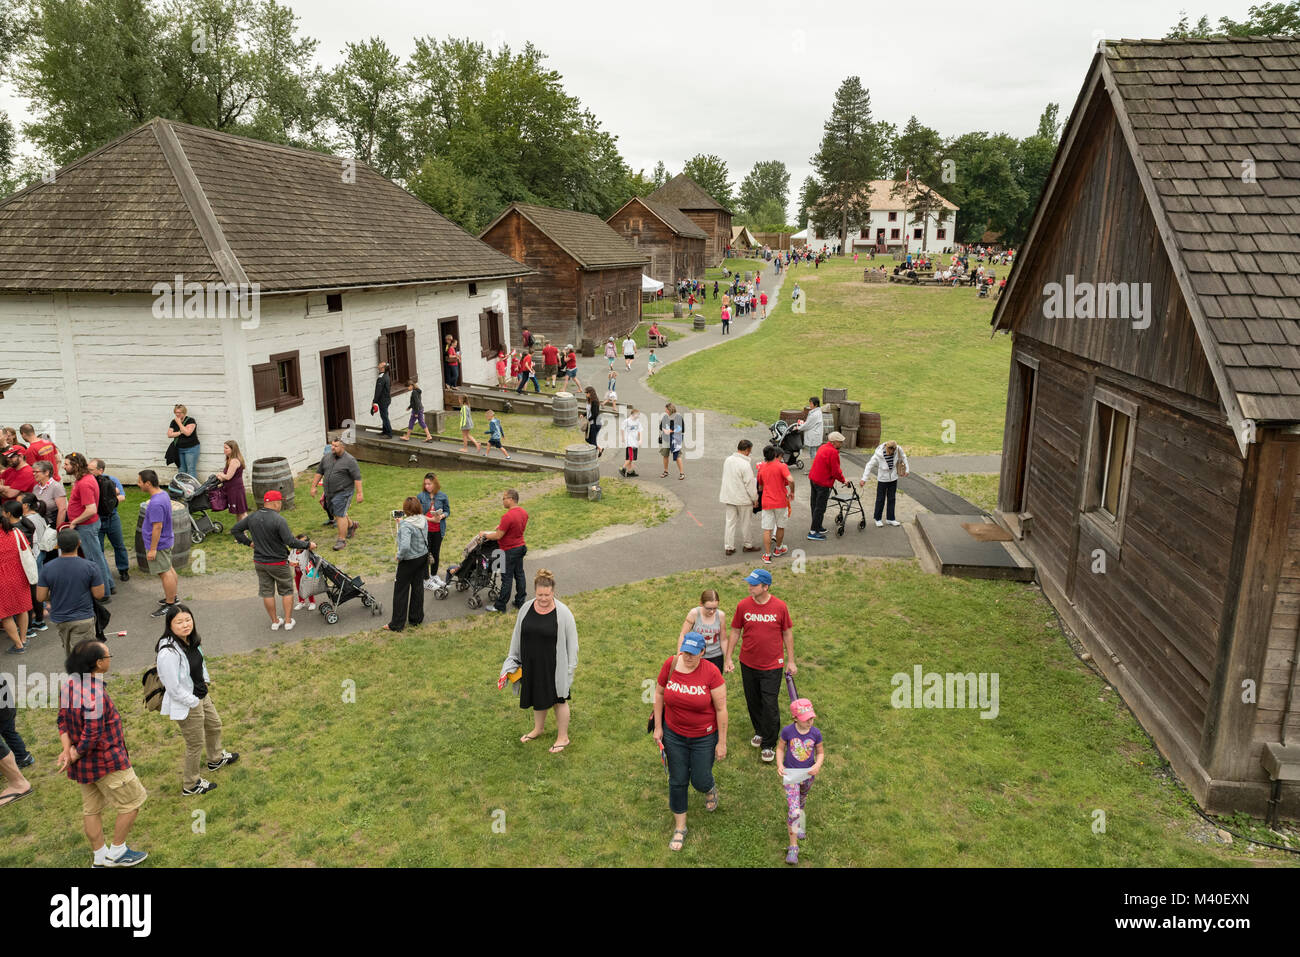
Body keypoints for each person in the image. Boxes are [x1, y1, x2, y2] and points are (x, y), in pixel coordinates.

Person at [57, 640, 149, 865]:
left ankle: (99, 857)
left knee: (91, 810)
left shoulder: (69, 685)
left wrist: (67, 750)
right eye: (108, 656)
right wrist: (75, 753)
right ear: (98, 663)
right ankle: (117, 852)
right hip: (107, 762)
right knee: (133, 802)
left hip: (85, 768)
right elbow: (92, 733)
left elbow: (62, 720)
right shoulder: (94, 692)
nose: (109, 659)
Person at [653, 631, 726, 851]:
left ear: (703, 652)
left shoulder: (712, 673)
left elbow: (721, 709)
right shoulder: (672, 664)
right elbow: (658, 693)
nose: (688, 657)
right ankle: (680, 827)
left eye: (693, 653)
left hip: (704, 736)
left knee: (700, 780)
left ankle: (709, 788)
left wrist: (721, 742)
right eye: (686, 652)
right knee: (678, 780)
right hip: (673, 734)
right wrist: (658, 727)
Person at [155, 604, 239, 795]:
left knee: (215, 725)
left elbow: (200, 664)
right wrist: (193, 702)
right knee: (195, 743)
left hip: (202, 694)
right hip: (188, 703)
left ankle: (215, 758)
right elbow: (173, 688)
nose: (185, 625)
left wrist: (205, 682)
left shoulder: (191, 640)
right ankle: (191, 784)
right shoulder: (168, 653)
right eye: (179, 622)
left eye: (188, 620)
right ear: (170, 624)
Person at [497, 568, 577, 754]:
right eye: (539, 594)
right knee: (536, 695)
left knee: (559, 699)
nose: (542, 598)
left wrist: (570, 670)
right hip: (532, 663)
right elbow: (517, 635)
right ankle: (538, 729)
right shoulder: (526, 608)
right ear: (535, 592)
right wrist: (513, 660)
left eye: (547, 595)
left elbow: (572, 645)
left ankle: (563, 737)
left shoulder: (564, 613)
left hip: (554, 666)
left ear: (553, 592)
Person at [725, 568, 795, 763]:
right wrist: (729, 658)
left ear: (766, 586)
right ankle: (760, 731)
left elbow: (787, 633)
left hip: (772, 665)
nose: (749, 587)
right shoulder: (743, 606)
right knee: (753, 700)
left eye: (754, 585)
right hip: (748, 663)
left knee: (769, 703)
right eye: (749, 583)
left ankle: (769, 744)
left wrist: (791, 660)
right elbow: (735, 631)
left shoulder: (780, 607)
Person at [232, 490, 315, 630]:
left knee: (267, 592)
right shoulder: (279, 520)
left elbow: (235, 530)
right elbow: (290, 541)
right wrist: (308, 545)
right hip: (278, 563)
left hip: (260, 562)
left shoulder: (253, 517)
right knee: (287, 590)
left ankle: (275, 621)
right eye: (280, 502)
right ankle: (288, 621)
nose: (281, 505)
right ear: (275, 503)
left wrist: (249, 543)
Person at [38, 528, 105, 654]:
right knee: (84, 657)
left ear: (57, 545)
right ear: (79, 543)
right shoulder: (90, 567)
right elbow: (99, 594)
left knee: (71, 653)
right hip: (83, 618)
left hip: (60, 619)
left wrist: (55, 594)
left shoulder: (47, 568)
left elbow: (41, 597)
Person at [776, 697, 825, 865]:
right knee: (794, 809)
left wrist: (817, 765)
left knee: (802, 800)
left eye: (812, 718)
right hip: (791, 775)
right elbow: (780, 748)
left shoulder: (815, 733)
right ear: (795, 718)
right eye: (806, 719)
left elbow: (820, 752)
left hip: (808, 775)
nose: (810, 722)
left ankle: (800, 825)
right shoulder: (788, 732)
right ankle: (793, 847)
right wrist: (779, 764)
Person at [63, 453, 114, 600]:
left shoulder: (85, 483)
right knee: (98, 556)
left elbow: (91, 509)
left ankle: (103, 594)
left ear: (76, 465)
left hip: (86, 527)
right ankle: (109, 584)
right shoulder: (84, 479)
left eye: (67, 464)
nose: (64, 466)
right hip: (88, 525)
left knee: (94, 560)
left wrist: (74, 521)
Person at [137, 470, 180, 618]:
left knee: (164, 572)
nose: (138, 484)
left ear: (147, 483)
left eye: (140, 482)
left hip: (160, 544)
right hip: (167, 540)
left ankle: (170, 605)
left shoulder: (155, 503)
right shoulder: (163, 494)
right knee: (169, 568)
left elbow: (157, 526)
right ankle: (173, 597)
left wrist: (153, 549)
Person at [385, 497, 429, 632]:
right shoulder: (423, 519)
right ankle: (416, 618)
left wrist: (399, 556)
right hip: (422, 557)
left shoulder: (406, 525)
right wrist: (402, 523)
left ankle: (397, 623)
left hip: (409, 560)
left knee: (401, 591)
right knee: (417, 587)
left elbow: (404, 546)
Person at [481, 488, 527, 614]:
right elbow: (515, 528)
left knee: (506, 578)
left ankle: (500, 606)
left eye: (504, 498)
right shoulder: (523, 512)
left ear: (511, 499)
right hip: (520, 547)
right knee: (520, 575)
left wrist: (484, 534)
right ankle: (520, 601)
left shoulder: (507, 516)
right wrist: (501, 527)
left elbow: (497, 536)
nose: (502, 501)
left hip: (507, 551)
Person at [312, 437, 363, 550]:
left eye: (336, 446)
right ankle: (351, 525)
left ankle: (341, 540)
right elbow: (319, 472)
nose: (333, 448)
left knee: (339, 514)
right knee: (336, 511)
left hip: (343, 491)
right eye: (332, 445)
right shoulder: (326, 458)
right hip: (329, 492)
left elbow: (357, 478)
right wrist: (313, 486)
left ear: (343, 447)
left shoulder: (350, 460)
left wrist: (359, 493)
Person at [89, 458, 128, 583]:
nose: (88, 472)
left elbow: (122, 496)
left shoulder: (112, 480)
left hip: (112, 518)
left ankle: (123, 570)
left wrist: (109, 500)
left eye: (91, 470)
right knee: (98, 548)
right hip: (97, 519)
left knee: (119, 545)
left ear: (100, 470)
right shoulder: (88, 481)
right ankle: (103, 573)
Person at [718, 439, 759, 556]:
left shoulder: (728, 460)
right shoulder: (745, 464)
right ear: (746, 450)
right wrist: (755, 498)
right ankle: (748, 544)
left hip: (729, 496)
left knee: (730, 522)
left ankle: (729, 546)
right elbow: (749, 484)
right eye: (749, 451)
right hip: (742, 498)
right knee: (746, 523)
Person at [756, 444, 795, 564]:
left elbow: (760, 486)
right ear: (774, 454)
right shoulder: (781, 466)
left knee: (767, 529)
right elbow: (791, 480)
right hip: (781, 501)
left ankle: (767, 555)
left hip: (767, 502)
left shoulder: (762, 468)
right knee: (780, 526)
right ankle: (778, 548)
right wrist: (792, 492)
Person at [0, 672, 34, 803]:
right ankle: (23, 756)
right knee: (10, 733)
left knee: (9, 735)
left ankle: (19, 779)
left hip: (4, 707)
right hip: (6, 705)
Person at [806, 432, 847, 541]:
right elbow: (835, 471)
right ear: (834, 442)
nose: (841, 443)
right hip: (823, 482)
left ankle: (817, 526)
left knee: (814, 505)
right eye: (840, 442)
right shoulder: (833, 452)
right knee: (820, 507)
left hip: (814, 479)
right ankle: (813, 531)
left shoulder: (823, 447)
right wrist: (844, 481)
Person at [862, 439, 910, 527]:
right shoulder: (878, 454)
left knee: (892, 498)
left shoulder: (898, 449)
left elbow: (903, 456)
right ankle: (878, 518)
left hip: (893, 478)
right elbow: (869, 465)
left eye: (893, 452)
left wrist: (907, 469)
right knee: (880, 499)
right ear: (887, 448)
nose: (892, 453)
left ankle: (890, 519)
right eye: (890, 452)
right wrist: (864, 479)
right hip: (882, 479)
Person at [677, 589, 727, 674]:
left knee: (714, 685)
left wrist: (728, 659)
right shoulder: (694, 614)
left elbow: (723, 639)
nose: (712, 611)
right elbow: (683, 634)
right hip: (696, 655)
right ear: (701, 604)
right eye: (708, 608)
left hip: (716, 656)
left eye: (715, 608)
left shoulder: (721, 615)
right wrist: (679, 655)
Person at [418, 473, 450, 588]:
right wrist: (431, 519)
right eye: (425, 484)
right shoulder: (420, 496)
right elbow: (418, 514)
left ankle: (434, 575)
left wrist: (441, 517)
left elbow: (447, 511)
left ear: (435, 483)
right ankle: (426, 580)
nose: (427, 486)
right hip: (425, 530)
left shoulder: (443, 496)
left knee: (435, 553)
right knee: (426, 554)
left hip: (438, 530)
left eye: (429, 484)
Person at [215, 440, 249, 522]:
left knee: (242, 512)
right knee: (238, 511)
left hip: (236, 489)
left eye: (226, 448)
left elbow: (228, 477)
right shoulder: (230, 459)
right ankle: (240, 529)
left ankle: (248, 530)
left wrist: (219, 474)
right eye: (224, 448)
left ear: (233, 449)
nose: (224, 450)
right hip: (232, 488)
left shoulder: (234, 461)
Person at [168, 404, 201, 478]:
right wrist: (180, 432)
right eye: (176, 412)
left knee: (190, 469)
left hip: (191, 448)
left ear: (184, 412)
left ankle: (191, 487)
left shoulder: (190, 420)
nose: (177, 414)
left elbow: (187, 433)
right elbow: (169, 434)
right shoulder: (173, 422)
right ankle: (182, 486)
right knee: (181, 468)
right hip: (179, 448)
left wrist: (179, 423)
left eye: (179, 412)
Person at [33, 460, 66, 530]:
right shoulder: (36, 488)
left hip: (52, 525)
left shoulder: (56, 487)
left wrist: (58, 529)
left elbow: (62, 510)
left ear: (47, 472)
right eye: (33, 472)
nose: (34, 474)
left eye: (36, 472)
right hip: (40, 525)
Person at [794, 397, 824, 464]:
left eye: (811, 403)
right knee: (812, 451)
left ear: (815, 405)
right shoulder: (817, 412)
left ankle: (814, 469)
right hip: (814, 434)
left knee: (812, 452)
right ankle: (814, 468)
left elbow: (808, 425)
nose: (810, 405)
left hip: (813, 435)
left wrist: (798, 428)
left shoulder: (815, 414)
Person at [660, 402, 684, 480]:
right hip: (666, 439)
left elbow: (682, 429)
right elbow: (661, 427)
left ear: (670, 409)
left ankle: (682, 473)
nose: (665, 411)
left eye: (666, 409)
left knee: (677, 456)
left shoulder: (678, 417)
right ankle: (665, 471)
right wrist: (665, 430)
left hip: (675, 440)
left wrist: (670, 431)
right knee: (665, 455)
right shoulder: (665, 417)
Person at [372, 360, 393, 439]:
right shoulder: (386, 375)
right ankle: (385, 431)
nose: (379, 364)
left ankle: (389, 433)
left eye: (381, 364)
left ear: (383, 368)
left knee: (384, 416)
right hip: (386, 399)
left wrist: (374, 401)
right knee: (385, 415)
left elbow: (378, 391)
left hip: (383, 400)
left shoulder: (382, 378)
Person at [619, 406, 642, 477]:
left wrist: (640, 439)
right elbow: (622, 429)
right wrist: (623, 438)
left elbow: (640, 430)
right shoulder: (627, 421)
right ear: (632, 414)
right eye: (637, 414)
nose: (638, 416)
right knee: (631, 458)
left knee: (631, 458)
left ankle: (630, 472)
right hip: (629, 443)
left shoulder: (637, 421)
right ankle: (622, 468)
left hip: (635, 442)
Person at [583, 386, 603, 455]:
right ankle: (600, 449)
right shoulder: (589, 401)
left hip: (595, 424)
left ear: (590, 393)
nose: (586, 394)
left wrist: (588, 420)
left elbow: (595, 414)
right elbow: (588, 411)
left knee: (592, 441)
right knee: (588, 439)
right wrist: (583, 414)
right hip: (590, 423)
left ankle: (593, 456)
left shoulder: (595, 402)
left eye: (587, 393)